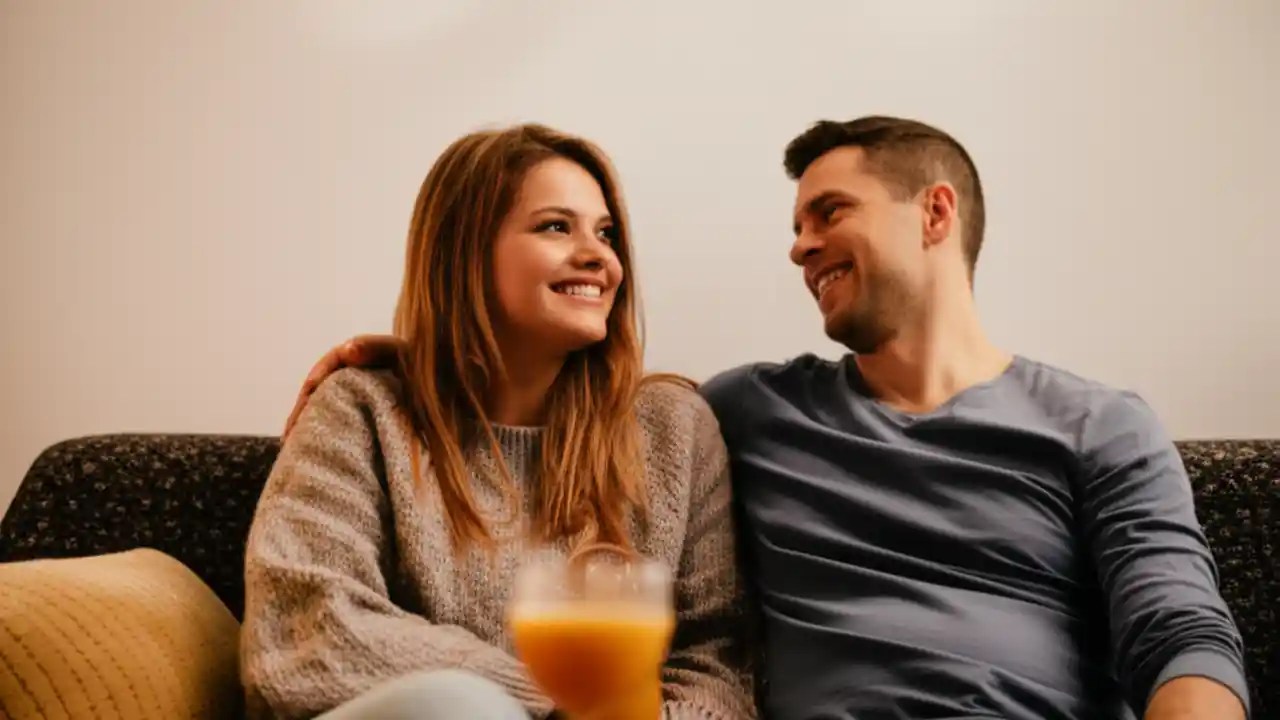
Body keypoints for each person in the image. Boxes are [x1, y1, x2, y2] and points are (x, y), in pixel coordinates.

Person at [283, 116, 1249, 719]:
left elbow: (1180, 636)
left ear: (935, 213)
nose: (800, 247)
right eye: (794, 225)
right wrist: (417, 357)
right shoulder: (752, 410)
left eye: (828, 213)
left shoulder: (1099, 425)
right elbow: (315, 624)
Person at [241, 123, 756, 720]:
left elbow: (717, 669)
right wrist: (567, 704)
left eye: (606, 233)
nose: (599, 256)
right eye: (556, 226)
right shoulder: (361, 411)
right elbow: (305, 639)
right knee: (455, 705)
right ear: (465, 251)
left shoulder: (676, 429)